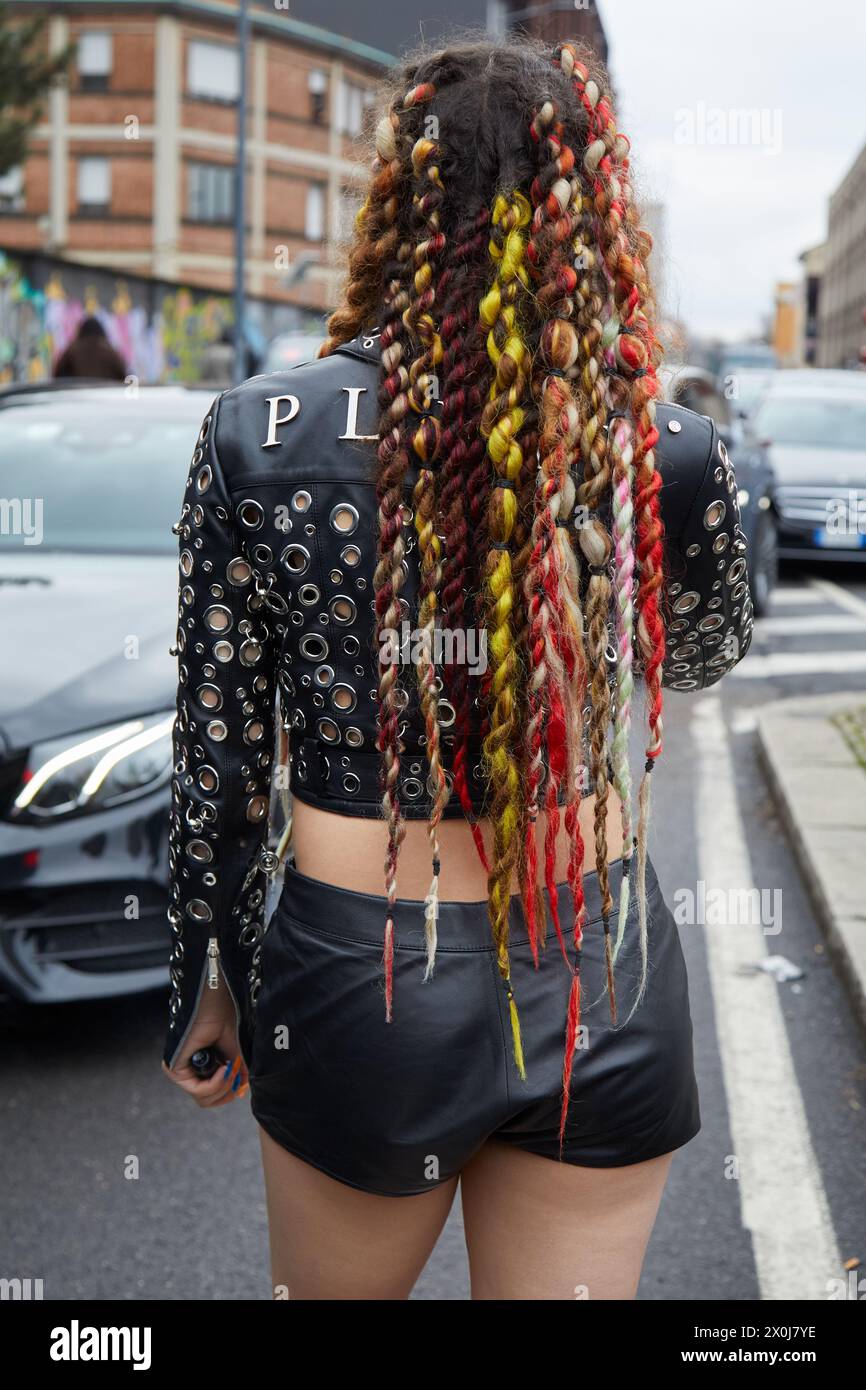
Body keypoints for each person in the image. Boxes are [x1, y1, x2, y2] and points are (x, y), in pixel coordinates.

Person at [161, 37, 753, 1300]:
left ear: (398, 201)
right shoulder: (664, 446)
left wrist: (203, 975)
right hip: (599, 958)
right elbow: (699, 652)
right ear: (586, 215)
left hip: (359, 969)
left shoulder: (259, 435)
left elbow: (214, 756)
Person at [53, 315, 127, 380]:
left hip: (77, 393)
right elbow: (123, 376)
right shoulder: (110, 352)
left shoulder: (72, 350)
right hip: (106, 393)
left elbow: (57, 375)